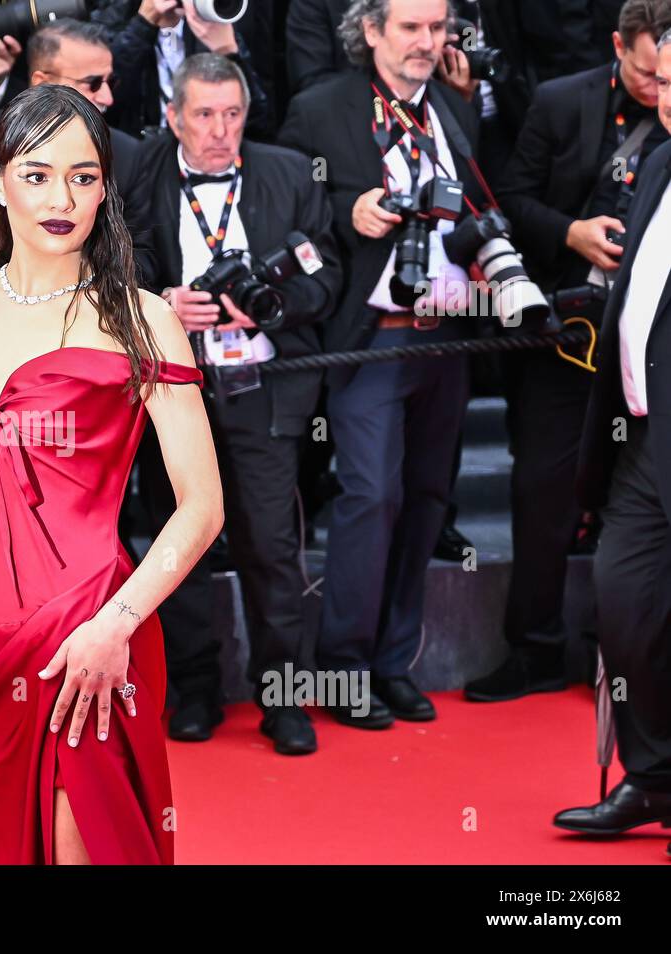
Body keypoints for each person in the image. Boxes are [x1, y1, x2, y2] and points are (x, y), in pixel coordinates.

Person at [0, 83, 224, 865]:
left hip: (89, 636)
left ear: (105, 186)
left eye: (83, 176)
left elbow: (202, 507)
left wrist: (118, 625)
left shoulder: (142, 318)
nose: (61, 197)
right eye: (37, 174)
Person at [278, 0, 488, 727]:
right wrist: (349, 210)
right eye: (411, 28)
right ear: (370, 30)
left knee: (429, 496)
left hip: (450, 334)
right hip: (368, 338)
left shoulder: (453, 110)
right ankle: (343, 668)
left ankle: (392, 663)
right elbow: (289, 215)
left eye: (437, 29)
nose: (428, 42)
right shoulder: (320, 109)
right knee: (370, 497)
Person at [131, 53, 342, 752]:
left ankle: (283, 697)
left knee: (272, 548)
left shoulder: (287, 172)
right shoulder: (142, 173)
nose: (221, 131)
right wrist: (162, 304)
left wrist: (270, 309)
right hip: (173, 392)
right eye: (203, 115)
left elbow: (327, 277)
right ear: (173, 116)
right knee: (179, 545)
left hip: (264, 392)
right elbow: (112, 271)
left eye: (232, 114)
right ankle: (194, 691)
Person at [468, 0, 671, 704]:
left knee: (641, 505)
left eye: (667, 77)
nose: (657, 89)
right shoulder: (560, 101)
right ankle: (535, 648)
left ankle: (625, 663)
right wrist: (573, 233)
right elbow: (512, 197)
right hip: (564, 334)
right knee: (539, 491)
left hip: (652, 348)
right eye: (648, 74)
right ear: (618, 46)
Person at [556, 25, 671, 844]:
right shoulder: (660, 159)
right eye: (660, 82)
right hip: (638, 439)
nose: (663, 99)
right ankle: (655, 777)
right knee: (625, 609)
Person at [0, 18, 156, 284]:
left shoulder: (127, 153)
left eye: (84, 178)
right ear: (41, 82)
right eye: (93, 83)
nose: (108, 97)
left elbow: (142, 260)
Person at [105, 0, 272, 140]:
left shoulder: (216, 21)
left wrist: (228, 53)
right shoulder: (116, 17)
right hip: (137, 149)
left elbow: (257, 122)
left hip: (204, 147)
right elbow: (105, 102)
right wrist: (143, 24)